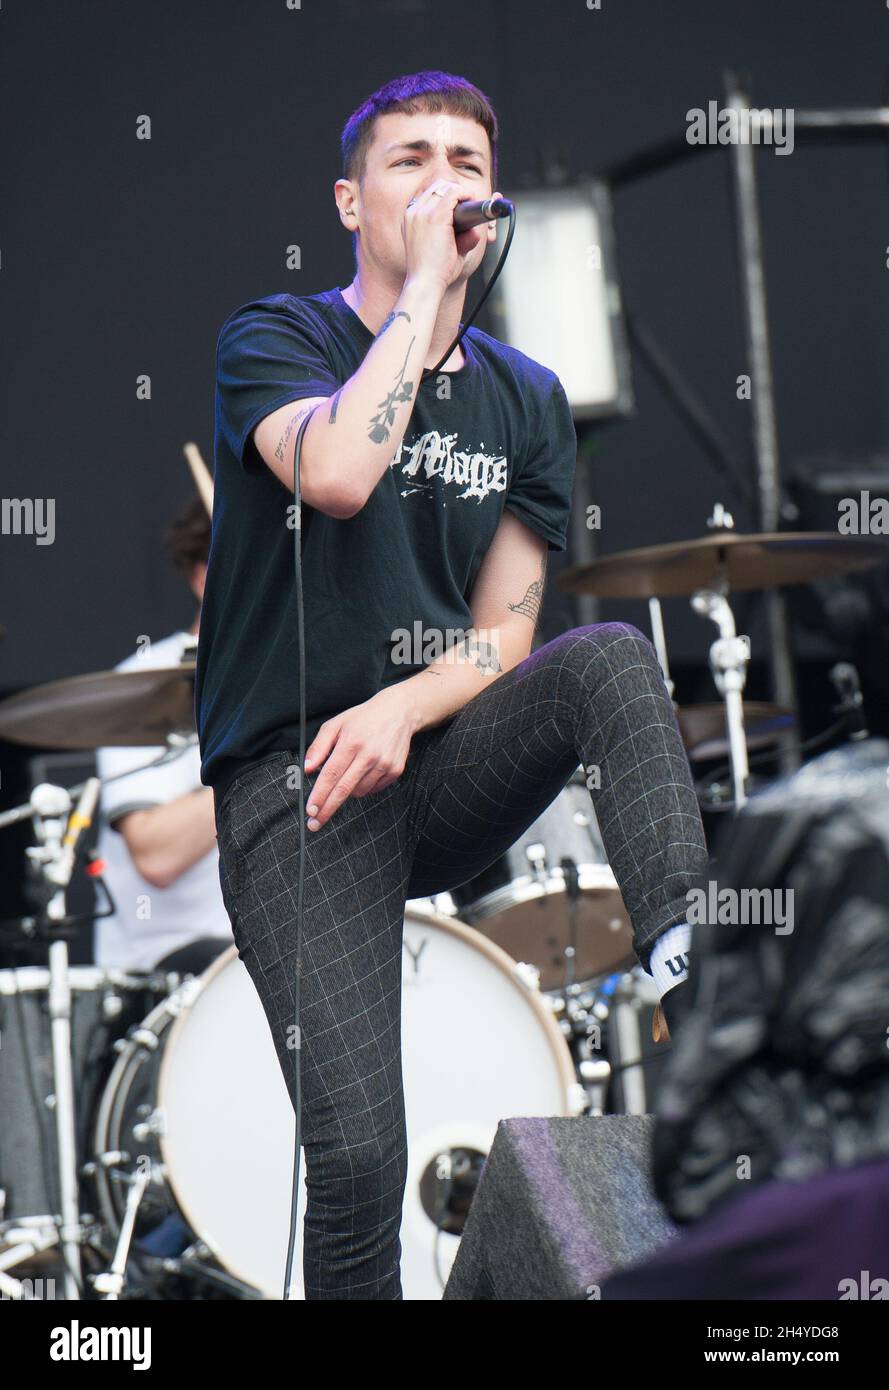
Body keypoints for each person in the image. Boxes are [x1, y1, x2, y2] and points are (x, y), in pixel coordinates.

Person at [195, 70, 709, 1300]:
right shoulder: (273, 337)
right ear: (350, 201)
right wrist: (420, 296)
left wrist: (398, 709)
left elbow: (506, 631)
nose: (446, 184)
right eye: (411, 161)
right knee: (363, 1154)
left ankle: (703, 990)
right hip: (297, 791)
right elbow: (334, 477)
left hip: (429, 756)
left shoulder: (528, 398)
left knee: (610, 661)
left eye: (467, 162)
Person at [95, 496, 232, 979]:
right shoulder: (144, 684)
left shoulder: (316, 677)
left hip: (298, 951)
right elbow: (157, 854)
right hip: (177, 968)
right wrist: (274, 756)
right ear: (203, 575)